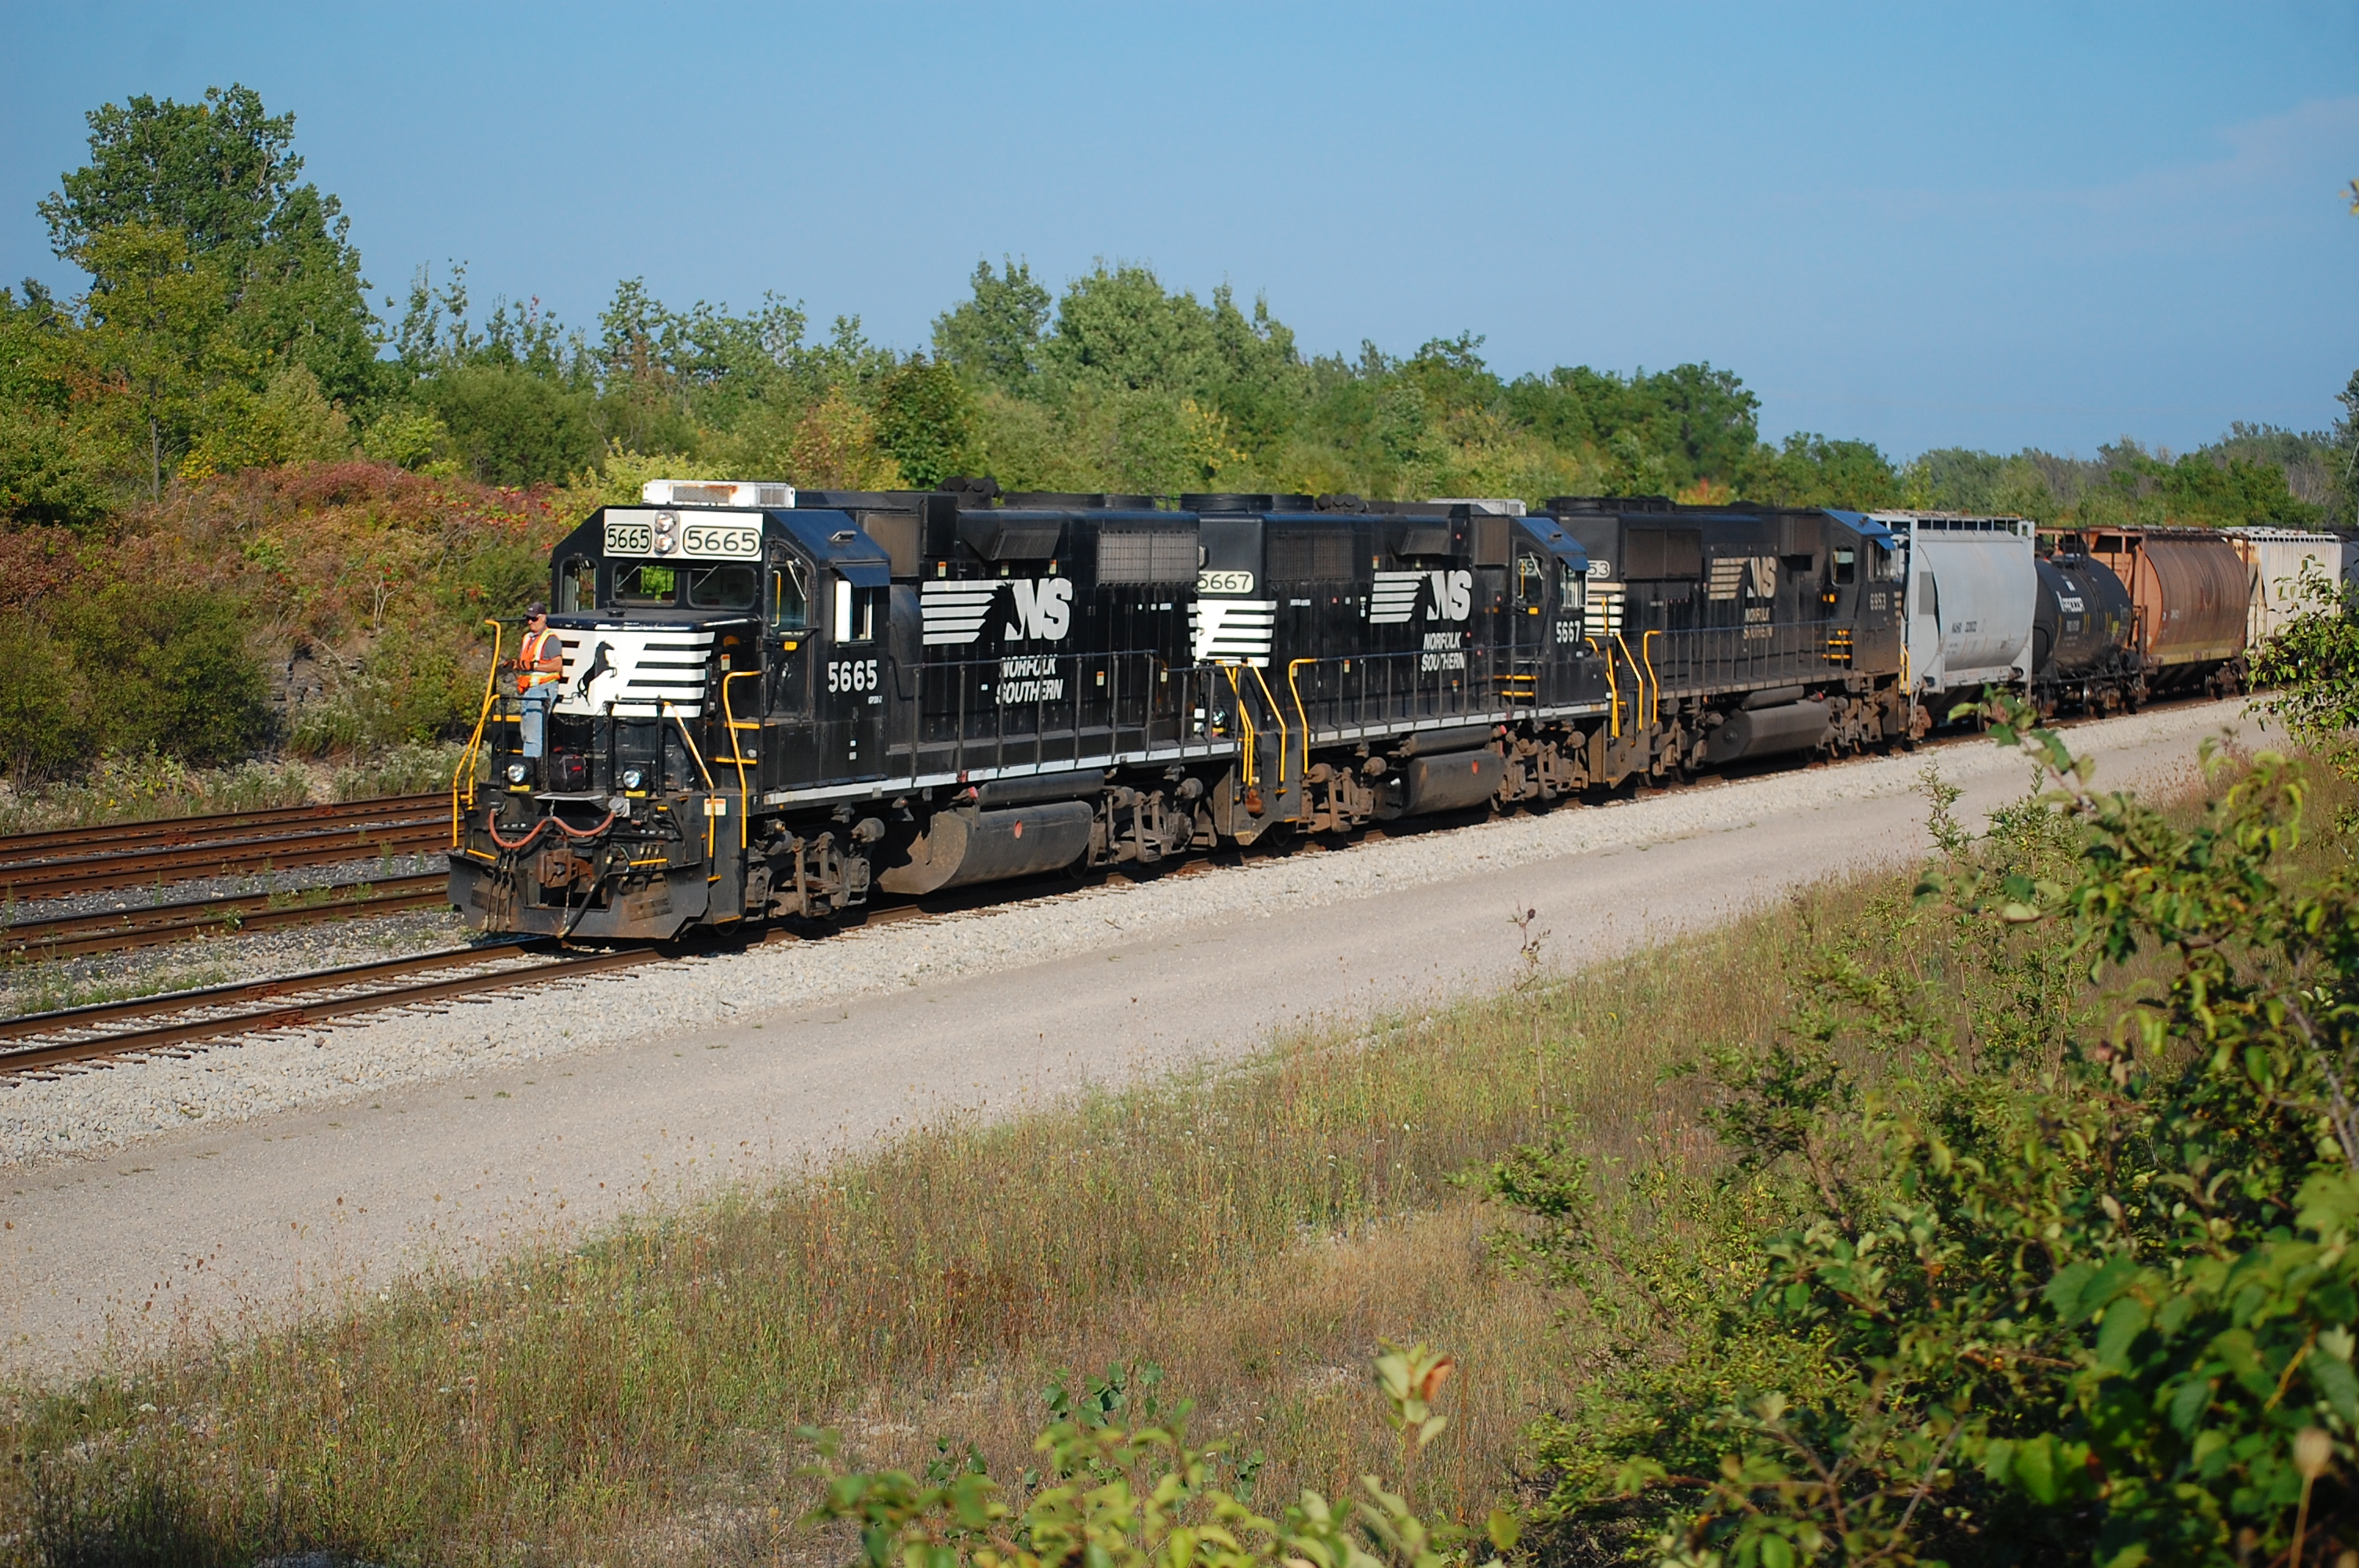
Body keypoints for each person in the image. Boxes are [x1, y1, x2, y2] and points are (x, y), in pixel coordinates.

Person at [507, 604, 565, 765]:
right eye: (528, 619)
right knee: (526, 732)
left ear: (543, 618)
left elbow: (557, 665)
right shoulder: (528, 638)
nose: (530, 622)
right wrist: (515, 665)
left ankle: (530, 769)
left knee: (533, 734)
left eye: (534, 618)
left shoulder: (550, 639)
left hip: (542, 689)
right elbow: (526, 664)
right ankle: (527, 768)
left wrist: (533, 666)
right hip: (528, 690)